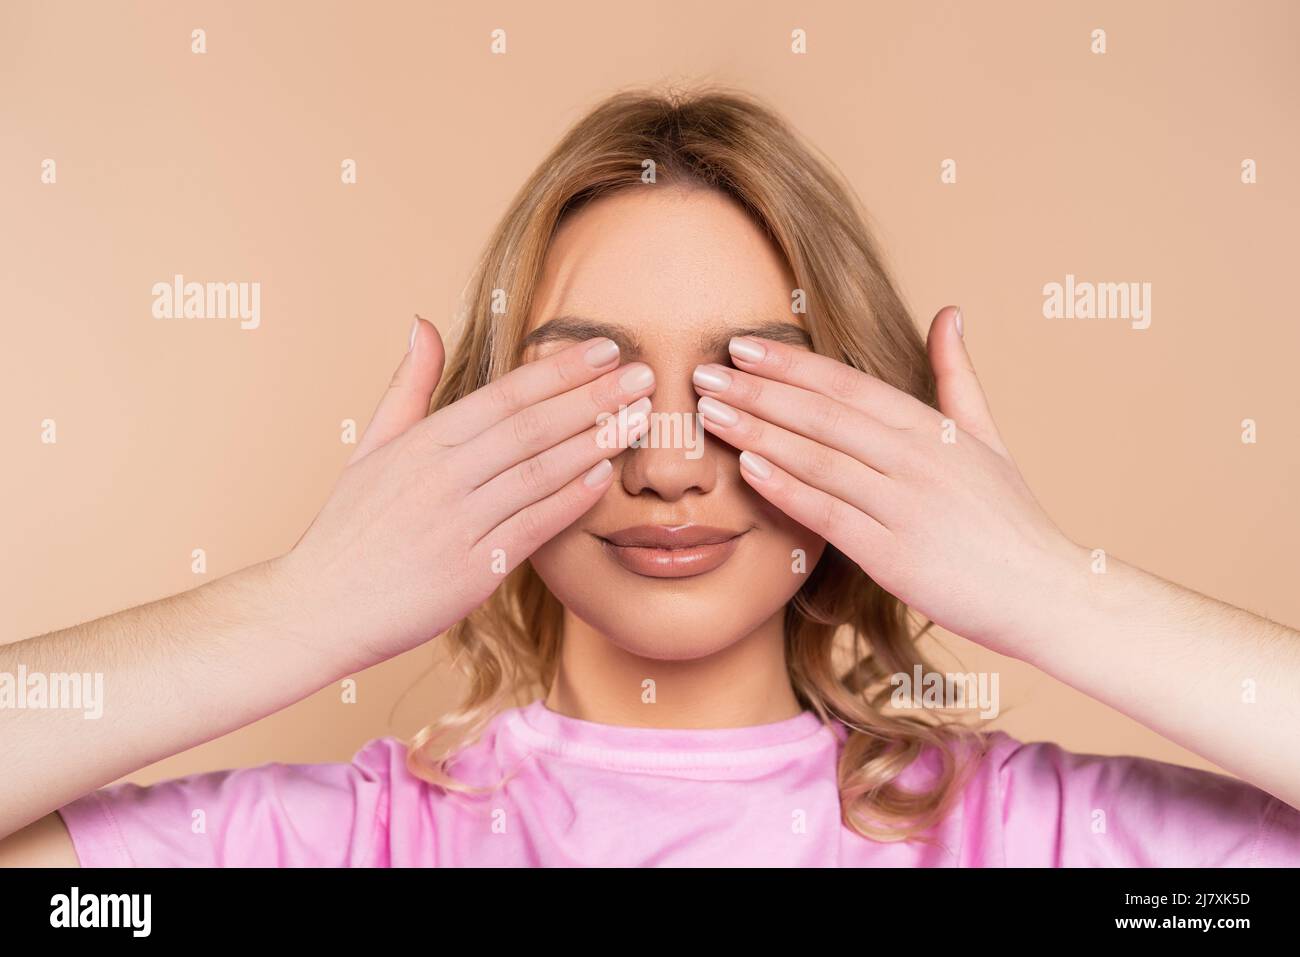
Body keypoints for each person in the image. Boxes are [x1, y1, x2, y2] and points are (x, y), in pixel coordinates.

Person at [3, 87, 1298, 867]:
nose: (672, 463)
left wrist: (1048, 590)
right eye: (595, 385)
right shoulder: (345, 845)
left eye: (751, 383)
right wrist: (308, 608)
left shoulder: (1027, 841)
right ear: (478, 429)